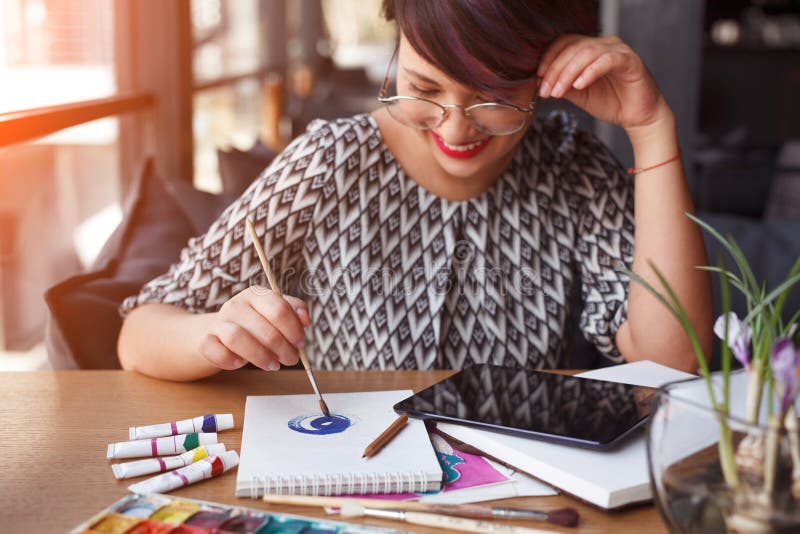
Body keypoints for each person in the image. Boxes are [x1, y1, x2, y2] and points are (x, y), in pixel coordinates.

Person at [118, 0, 712, 381]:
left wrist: (651, 130)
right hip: (349, 482)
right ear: (395, 43)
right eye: (422, 86)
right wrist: (214, 334)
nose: (455, 128)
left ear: (545, 82)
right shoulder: (328, 163)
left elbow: (672, 361)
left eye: (496, 99)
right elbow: (138, 335)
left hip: (512, 494)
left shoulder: (573, 168)